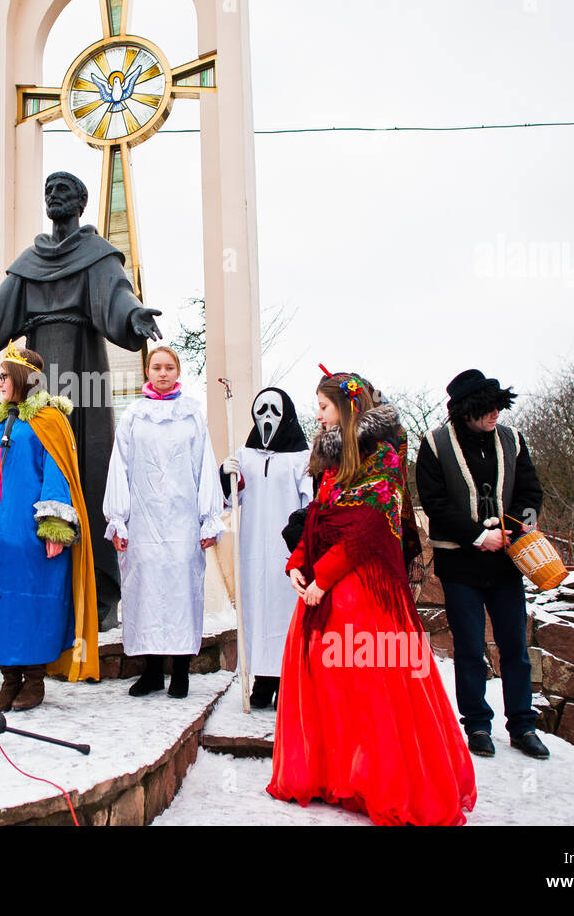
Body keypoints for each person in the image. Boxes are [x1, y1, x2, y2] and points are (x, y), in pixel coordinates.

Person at [0, 172, 165, 632]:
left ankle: (97, 592)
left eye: (63, 191)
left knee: (87, 469)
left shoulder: (97, 256)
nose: (54, 197)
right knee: (32, 470)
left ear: (81, 202)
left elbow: (117, 297)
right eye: (49, 191)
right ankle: (39, 587)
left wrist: (133, 315)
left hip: (83, 373)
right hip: (34, 373)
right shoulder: (29, 262)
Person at [268, 371, 477, 826]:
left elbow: (367, 527)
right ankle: (337, 775)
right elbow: (317, 518)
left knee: (371, 689)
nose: (317, 415)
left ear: (346, 407)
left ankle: (381, 782)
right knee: (331, 689)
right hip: (323, 588)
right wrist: (297, 567)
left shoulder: (381, 453)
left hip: (363, 591)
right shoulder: (326, 456)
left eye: (323, 407)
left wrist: (322, 577)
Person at [415, 369, 549, 759]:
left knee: (515, 647)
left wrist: (519, 526)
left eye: (498, 407)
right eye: (487, 409)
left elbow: (530, 490)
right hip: (460, 564)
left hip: (506, 561)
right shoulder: (435, 444)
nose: (495, 415)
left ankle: (523, 725)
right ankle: (476, 724)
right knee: (471, 648)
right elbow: (435, 502)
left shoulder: (513, 439)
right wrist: (478, 535)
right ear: (466, 412)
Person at [0, 343, 99, 711]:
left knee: (32, 606)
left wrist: (54, 527)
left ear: (23, 378)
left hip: (30, 538)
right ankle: (9, 679)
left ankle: (34, 680)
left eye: (4, 375)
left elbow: (58, 474)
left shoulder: (49, 421)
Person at [103, 346, 224, 698]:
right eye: (157, 367)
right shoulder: (134, 416)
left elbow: (204, 467)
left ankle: (181, 671)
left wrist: (209, 517)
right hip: (144, 521)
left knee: (181, 592)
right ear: (147, 371)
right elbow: (120, 467)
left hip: (183, 521)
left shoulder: (191, 416)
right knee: (147, 593)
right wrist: (118, 519)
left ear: (178, 371)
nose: (163, 373)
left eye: (169, 367)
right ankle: (152, 671)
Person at [219, 387, 313, 708]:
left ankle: (287, 679)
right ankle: (261, 679)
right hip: (253, 550)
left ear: (286, 414)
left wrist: (303, 542)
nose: (268, 417)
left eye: (274, 410)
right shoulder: (246, 455)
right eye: (262, 410)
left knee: (284, 614)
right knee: (257, 613)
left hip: (288, 550)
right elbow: (231, 499)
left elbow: (310, 502)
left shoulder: (302, 458)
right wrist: (226, 476)